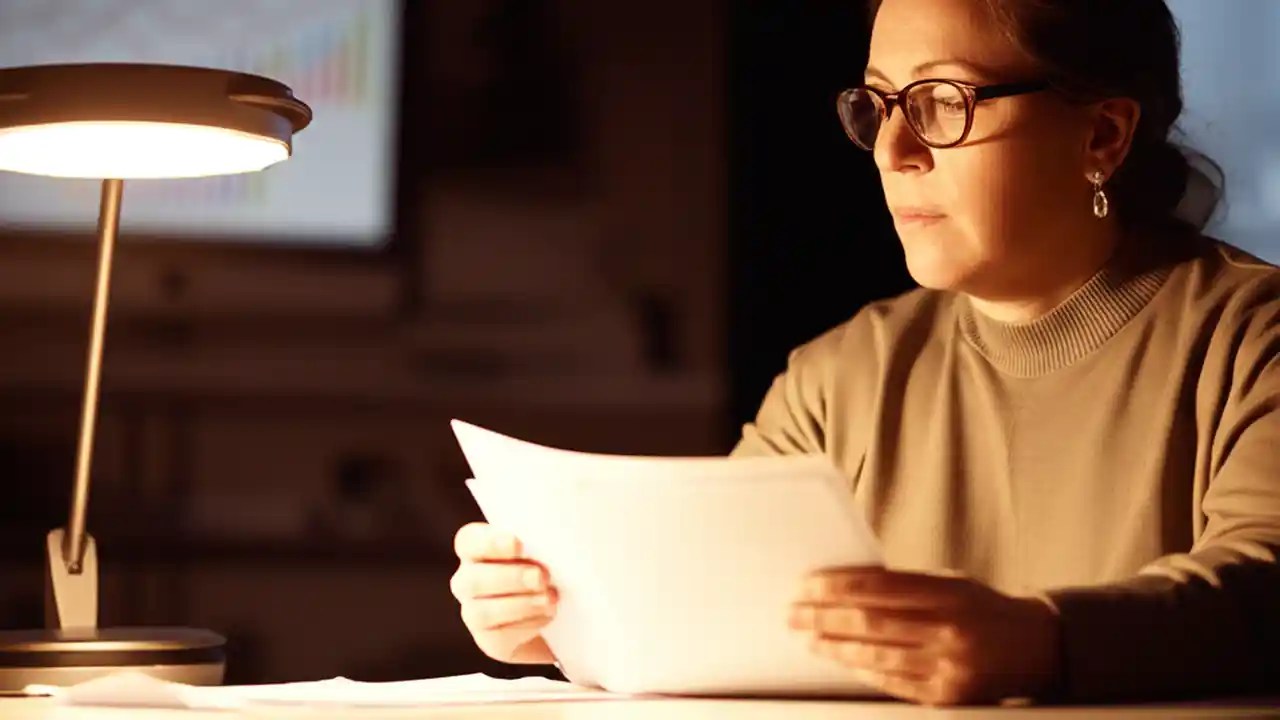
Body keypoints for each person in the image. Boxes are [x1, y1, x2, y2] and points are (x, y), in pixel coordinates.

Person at [449, 0, 1279, 706]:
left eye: (942, 101)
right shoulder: (840, 378)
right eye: (880, 106)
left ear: (1102, 134)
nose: (893, 152)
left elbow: (1262, 590)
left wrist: (1040, 641)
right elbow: (720, 607)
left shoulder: (1251, 336)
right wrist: (569, 614)